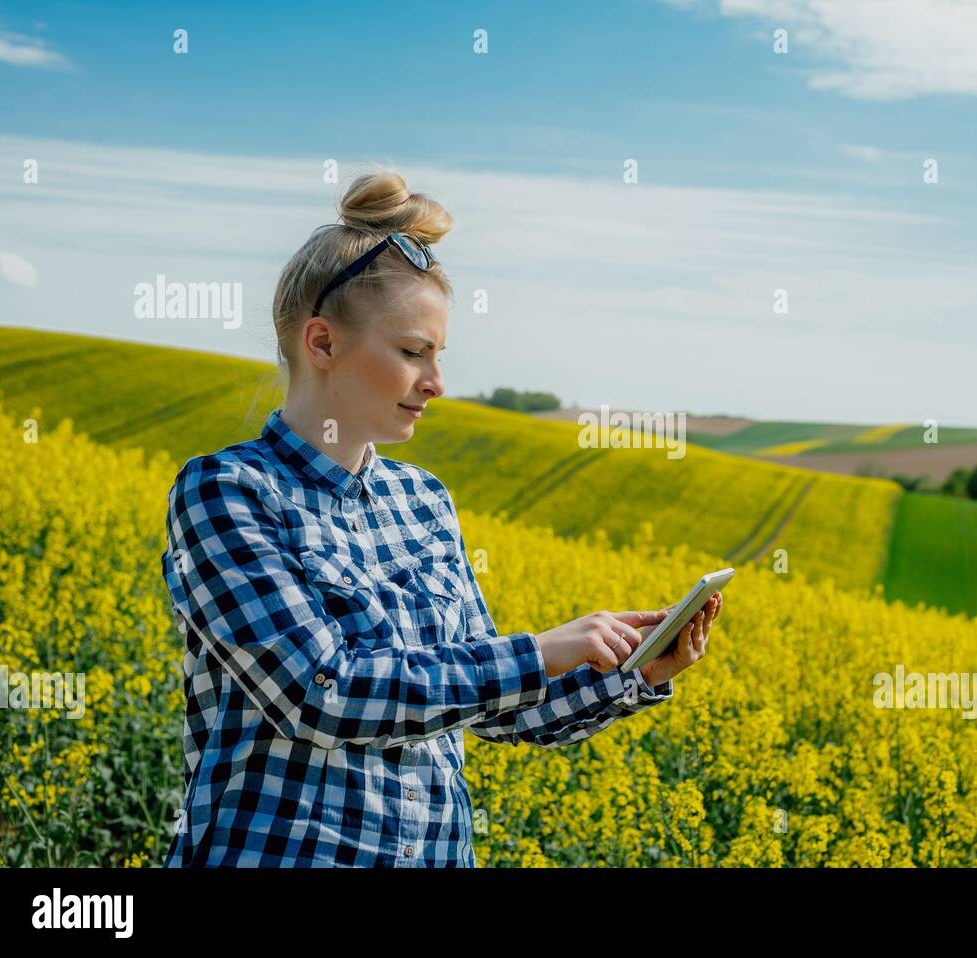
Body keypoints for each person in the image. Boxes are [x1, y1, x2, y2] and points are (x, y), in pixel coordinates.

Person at [161, 170, 722, 867]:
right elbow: (322, 692)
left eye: (438, 355)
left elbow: (495, 705)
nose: (436, 383)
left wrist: (631, 673)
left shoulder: (423, 502)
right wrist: (541, 650)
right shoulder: (226, 493)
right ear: (322, 344)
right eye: (411, 352)